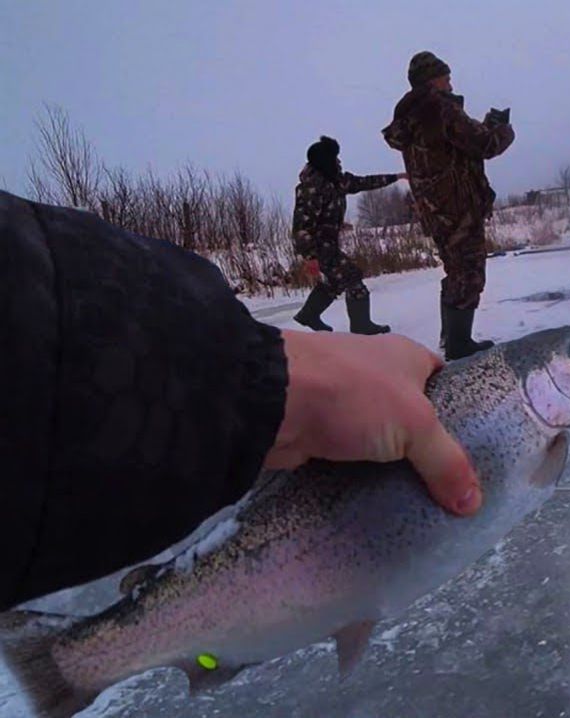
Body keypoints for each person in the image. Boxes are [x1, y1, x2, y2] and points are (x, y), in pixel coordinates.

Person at [0, 190, 482, 610]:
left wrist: (249, 378)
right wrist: (259, 378)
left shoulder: (332, 180)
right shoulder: (319, 184)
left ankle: (322, 319)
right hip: (314, 258)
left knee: (344, 282)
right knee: (345, 281)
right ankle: (323, 319)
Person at [383, 51, 515, 360]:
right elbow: (483, 145)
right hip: (458, 207)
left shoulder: (412, 116)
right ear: (433, 80)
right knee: (468, 272)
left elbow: (454, 149)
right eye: (447, 77)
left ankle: (451, 339)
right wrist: (502, 130)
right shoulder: (440, 108)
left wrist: (483, 127)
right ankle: (459, 345)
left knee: (455, 269)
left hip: (435, 208)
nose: (451, 83)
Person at [291, 136, 402, 335]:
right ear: (326, 161)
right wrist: (310, 257)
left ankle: (308, 315)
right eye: (335, 158)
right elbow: (301, 227)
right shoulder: (311, 188)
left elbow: (364, 182)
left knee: (335, 281)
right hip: (318, 247)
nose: (339, 162)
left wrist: (397, 177)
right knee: (352, 277)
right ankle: (361, 327)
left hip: (329, 245)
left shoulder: (336, 181)